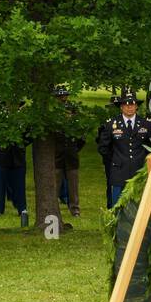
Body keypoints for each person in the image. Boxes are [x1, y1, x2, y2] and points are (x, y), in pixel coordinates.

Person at [96, 88, 151, 207]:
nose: (129, 107)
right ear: (121, 107)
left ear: (136, 106)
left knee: (139, 206)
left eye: (132, 104)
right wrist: (115, 160)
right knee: (117, 206)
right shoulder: (112, 124)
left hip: (139, 171)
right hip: (118, 172)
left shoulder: (145, 124)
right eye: (126, 104)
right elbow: (103, 147)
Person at [53, 85, 84, 217]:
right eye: (60, 96)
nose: (62, 98)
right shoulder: (52, 113)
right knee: (55, 183)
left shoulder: (73, 111)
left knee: (73, 184)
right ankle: (53, 208)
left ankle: (75, 209)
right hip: (57, 155)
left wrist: (75, 149)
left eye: (64, 95)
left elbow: (81, 137)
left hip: (71, 154)